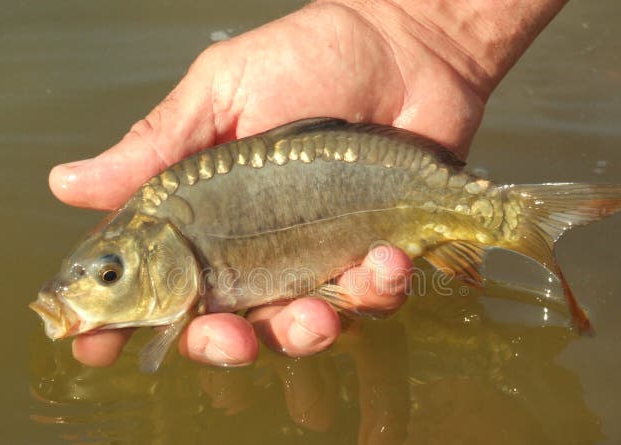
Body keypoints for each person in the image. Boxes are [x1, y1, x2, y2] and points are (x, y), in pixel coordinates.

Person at [49, 0, 567, 368]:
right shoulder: (162, 203)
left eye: (109, 274)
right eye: (109, 275)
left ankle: (516, 223)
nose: (101, 282)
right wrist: (415, 25)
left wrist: (411, 26)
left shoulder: (165, 204)